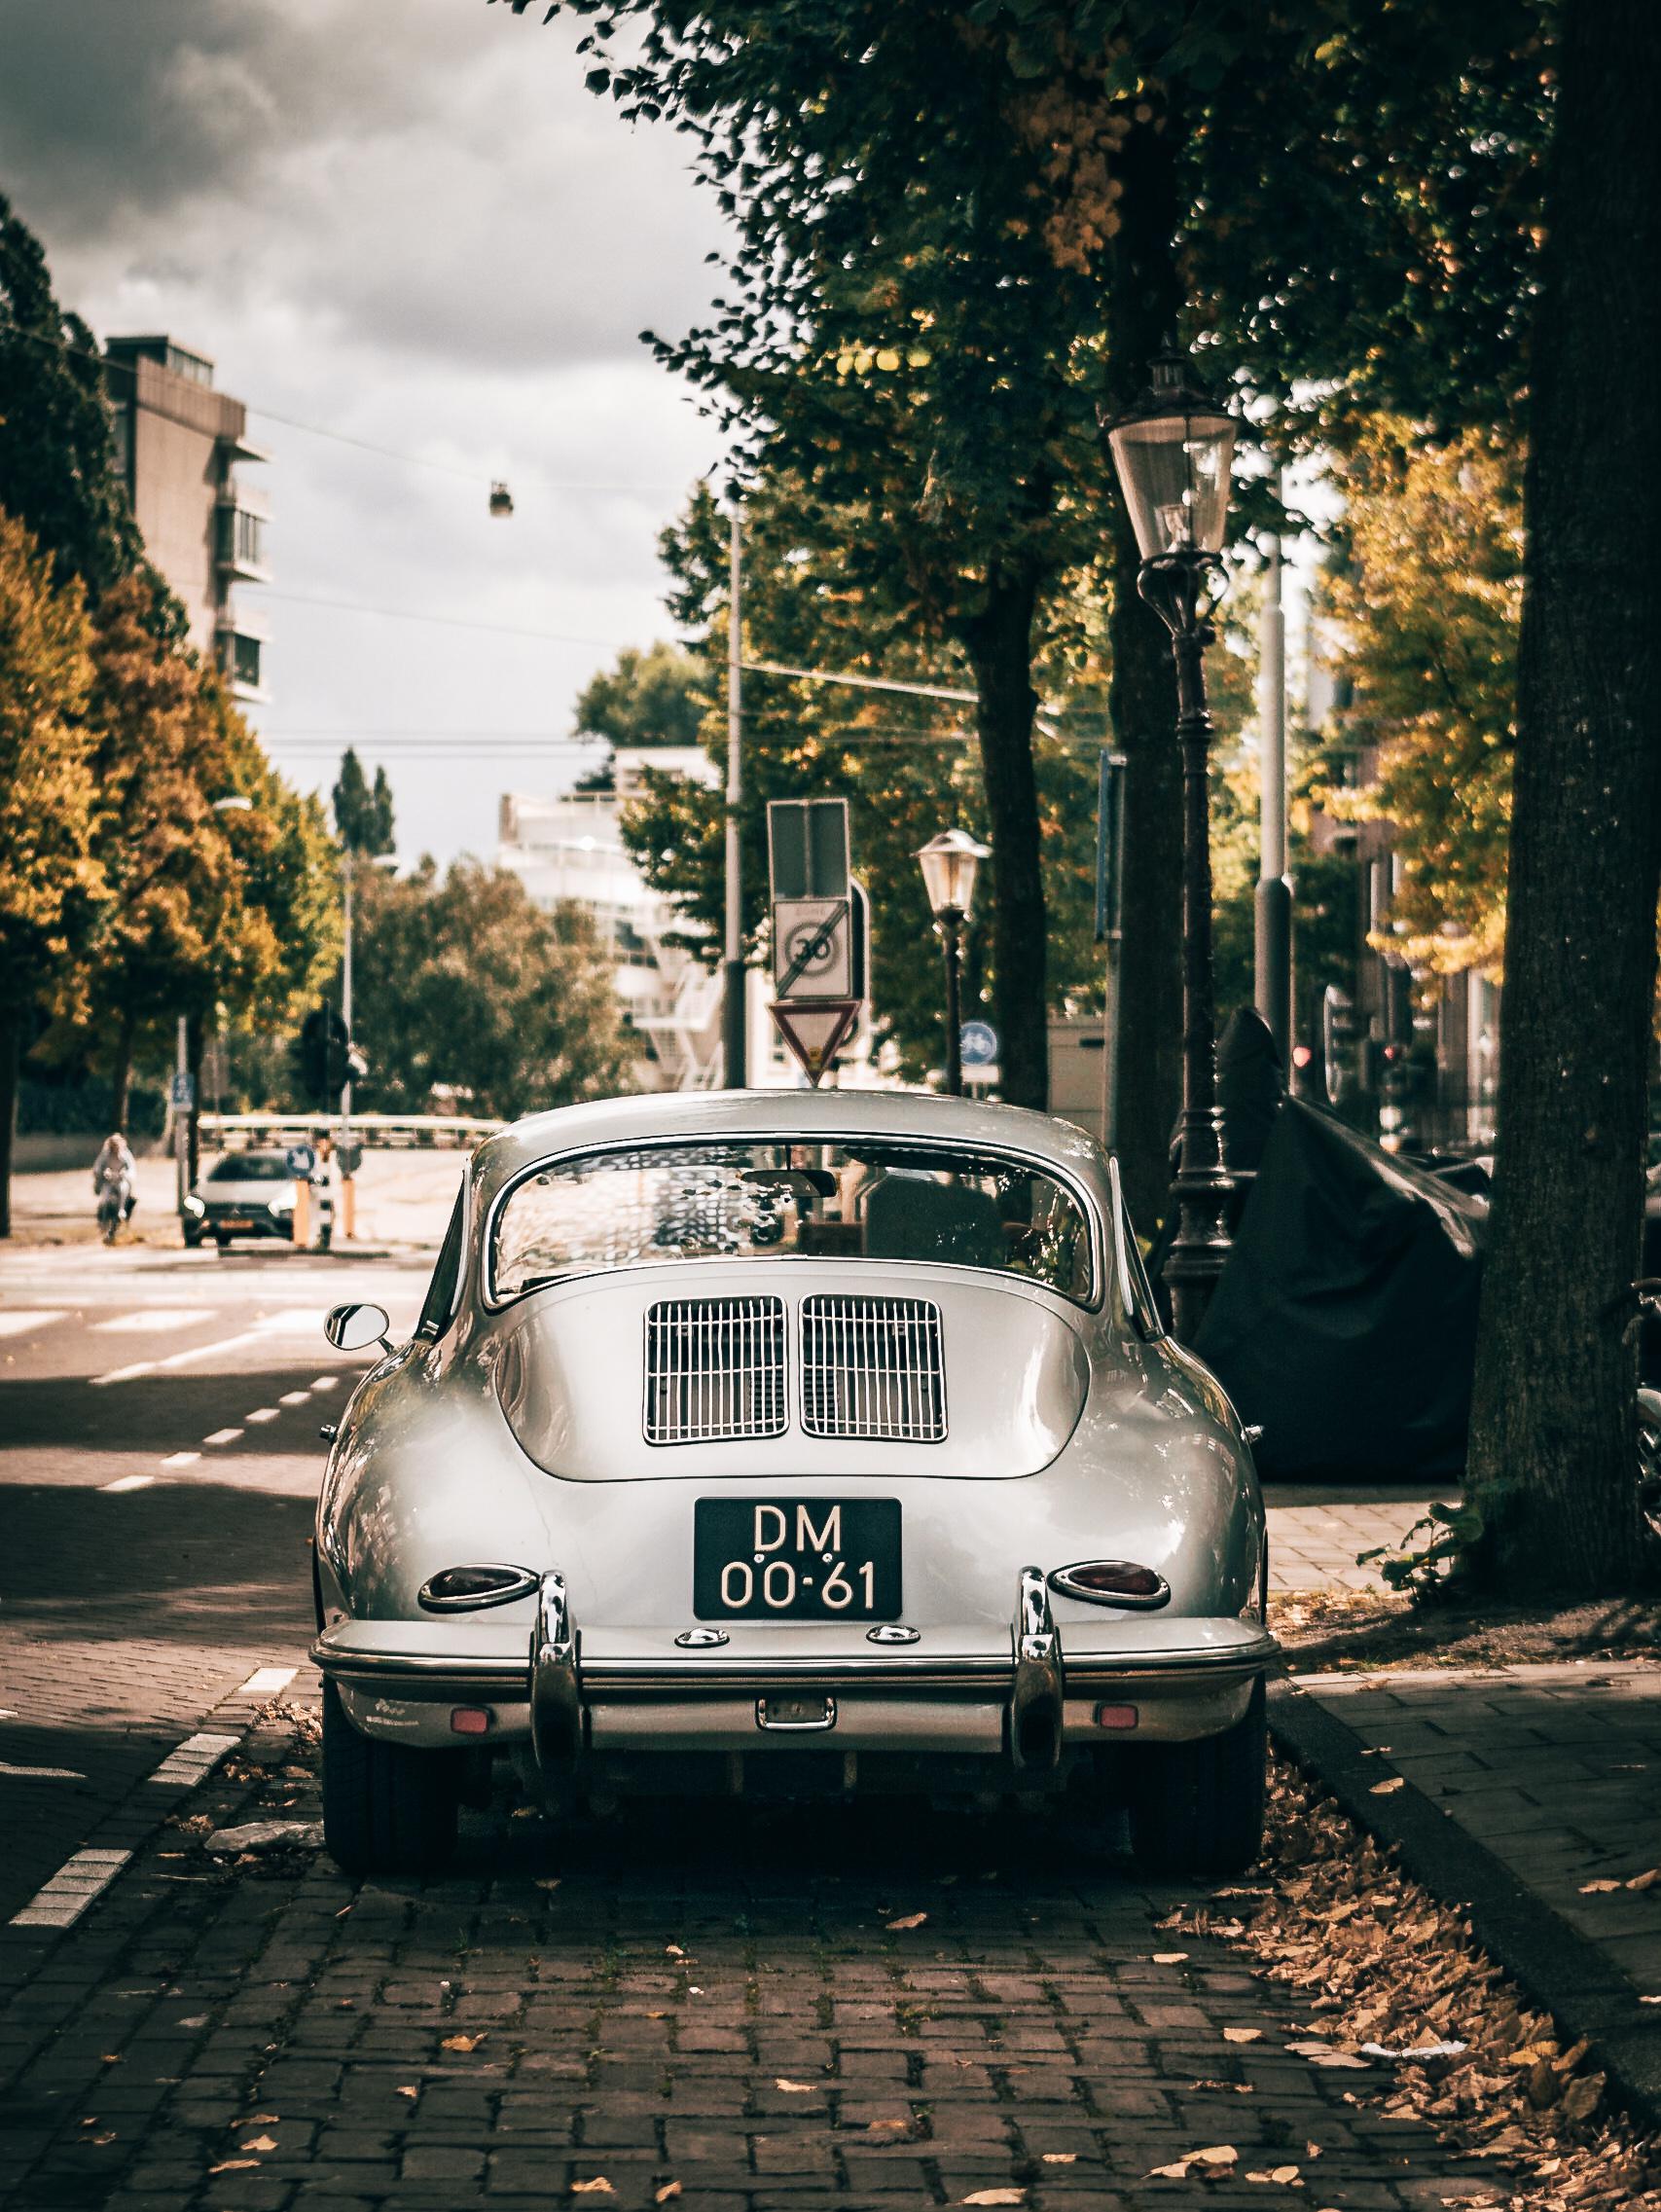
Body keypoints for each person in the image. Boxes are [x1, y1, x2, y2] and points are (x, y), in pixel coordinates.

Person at [91, 1129, 137, 1235]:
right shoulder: (105, 1154)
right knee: (105, 1198)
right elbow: (97, 1167)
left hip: (121, 1180)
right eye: (113, 1146)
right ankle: (103, 1220)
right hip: (108, 1181)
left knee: (123, 1190)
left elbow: (132, 1168)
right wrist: (103, 1173)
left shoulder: (125, 1154)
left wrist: (125, 1174)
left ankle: (121, 1209)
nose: (115, 1149)